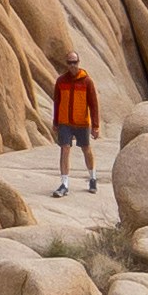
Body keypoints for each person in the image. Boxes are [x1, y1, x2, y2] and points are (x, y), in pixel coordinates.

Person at [51, 55, 101, 195]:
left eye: (74, 62)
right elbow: (57, 102)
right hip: (65, 122)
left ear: (78, 62)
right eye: (69, 63)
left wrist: (95, 126)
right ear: (66, 64)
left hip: (81, 122)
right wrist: (55, 122)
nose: (72, 65)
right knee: (65, 149)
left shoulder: (87, 81)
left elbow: (93, 105)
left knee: (86, 149)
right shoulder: (61, 81)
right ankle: (64, 184)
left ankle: (92, 178)